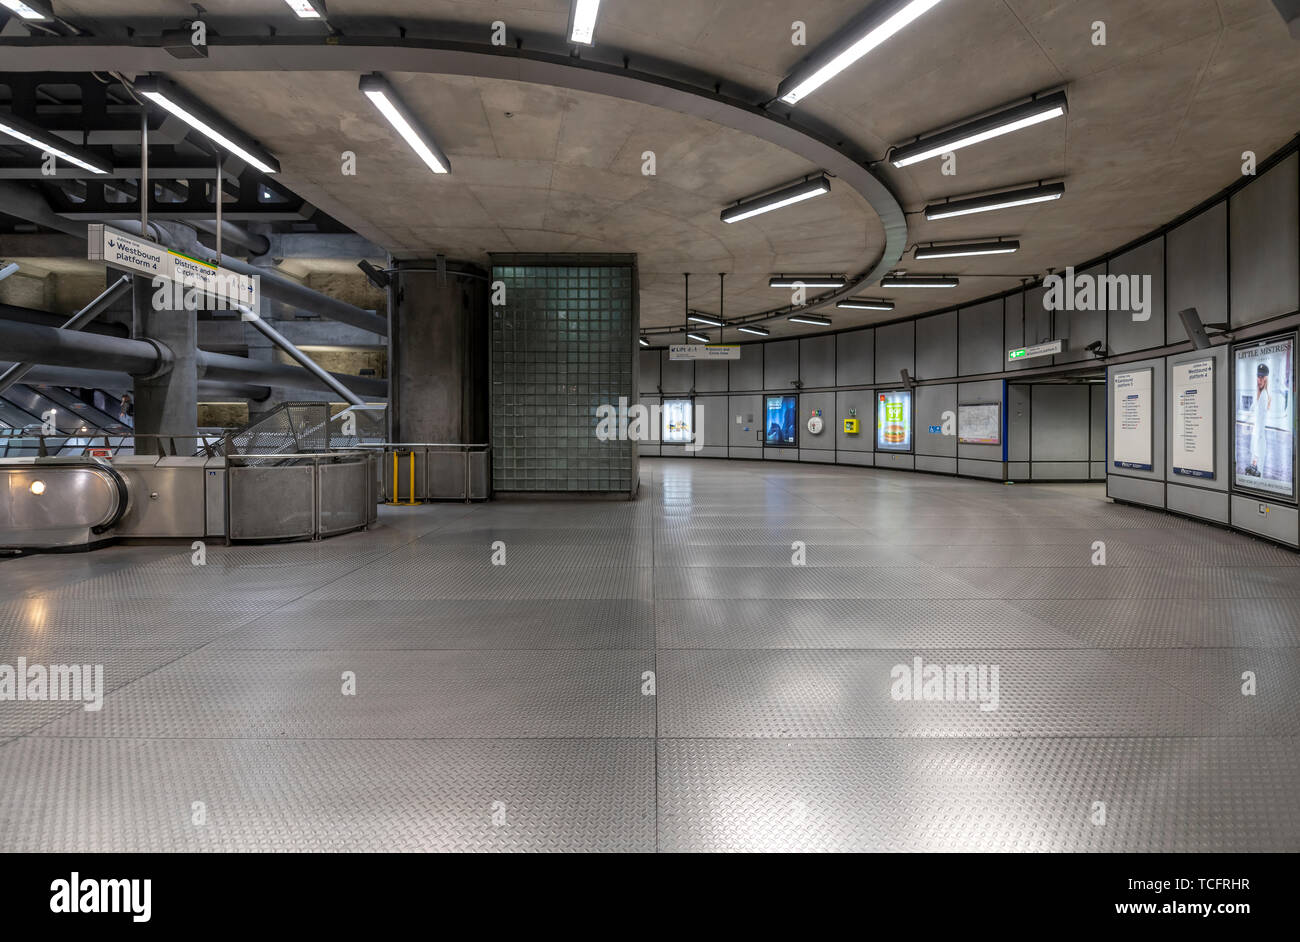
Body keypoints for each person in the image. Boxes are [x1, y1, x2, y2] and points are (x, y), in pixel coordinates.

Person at [1246, 363, 1271, 478]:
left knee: (1257, 477)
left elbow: (1260, 428)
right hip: (1255, 440)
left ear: (1266, 378)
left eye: (1262, 377)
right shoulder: (1258, 395)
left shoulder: (1264, 396)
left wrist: (1256, 456)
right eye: (1258, 376)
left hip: (1259, 444)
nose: (1259, 380)